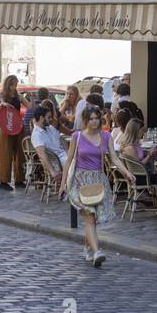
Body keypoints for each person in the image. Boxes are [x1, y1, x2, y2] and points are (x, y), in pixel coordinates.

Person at [59, 105, 135, 267]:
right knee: (89, 217)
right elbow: (69, 160)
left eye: (96, 118)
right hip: (80, 180)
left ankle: (87, 248)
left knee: (93, 219)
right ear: (85, 120)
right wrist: (63, 183)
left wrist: (126, 173)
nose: (94, 121)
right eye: (91, 118)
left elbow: (114, 158)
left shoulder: (106, 136)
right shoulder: (77, 136)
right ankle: (97, 252)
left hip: (98, 180)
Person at [0, 75, 26, 190]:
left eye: (15, 84)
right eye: (12, 84)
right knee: (5, 154)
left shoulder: (18, 96)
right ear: (7, 84)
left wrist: (28, 100)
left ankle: (19, 179)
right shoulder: (0, 97)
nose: (14, 87)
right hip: (5, 128)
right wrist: (2, 104)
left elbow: (30, 106)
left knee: (20, 154)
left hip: (18, 127)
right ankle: (4, 181)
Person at [31, 101, 68, 177]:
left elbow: (61, 139)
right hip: (57, 161)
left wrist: (68, 152)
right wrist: (52, 171)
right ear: (41, 118)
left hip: (63, 156)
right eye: (49, 117)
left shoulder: (49, 128)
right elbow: (42, 154)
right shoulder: (37, 134)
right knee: (76, 164)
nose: (51, 119)